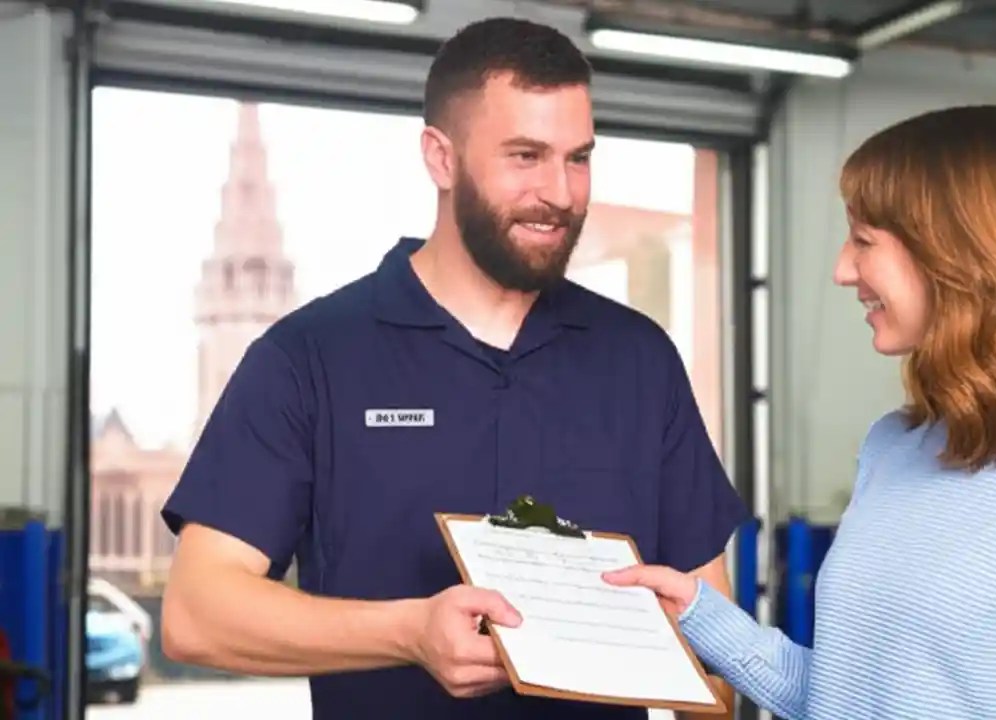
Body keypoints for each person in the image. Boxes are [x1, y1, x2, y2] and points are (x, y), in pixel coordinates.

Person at [159, 16, 747, 720]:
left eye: (579, 157)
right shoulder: (310, 357)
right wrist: (407, 633)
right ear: (441, 158)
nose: (560, 193)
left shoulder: (639, 360)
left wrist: (699, 668)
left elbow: (715, 667)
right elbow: (197, 613)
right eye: (525, 156)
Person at [605, 105, 996, 719]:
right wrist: (700, 614)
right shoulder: (891, 446)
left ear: (956, 256)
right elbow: (850, 699)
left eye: (864, 241)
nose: (842, 269)